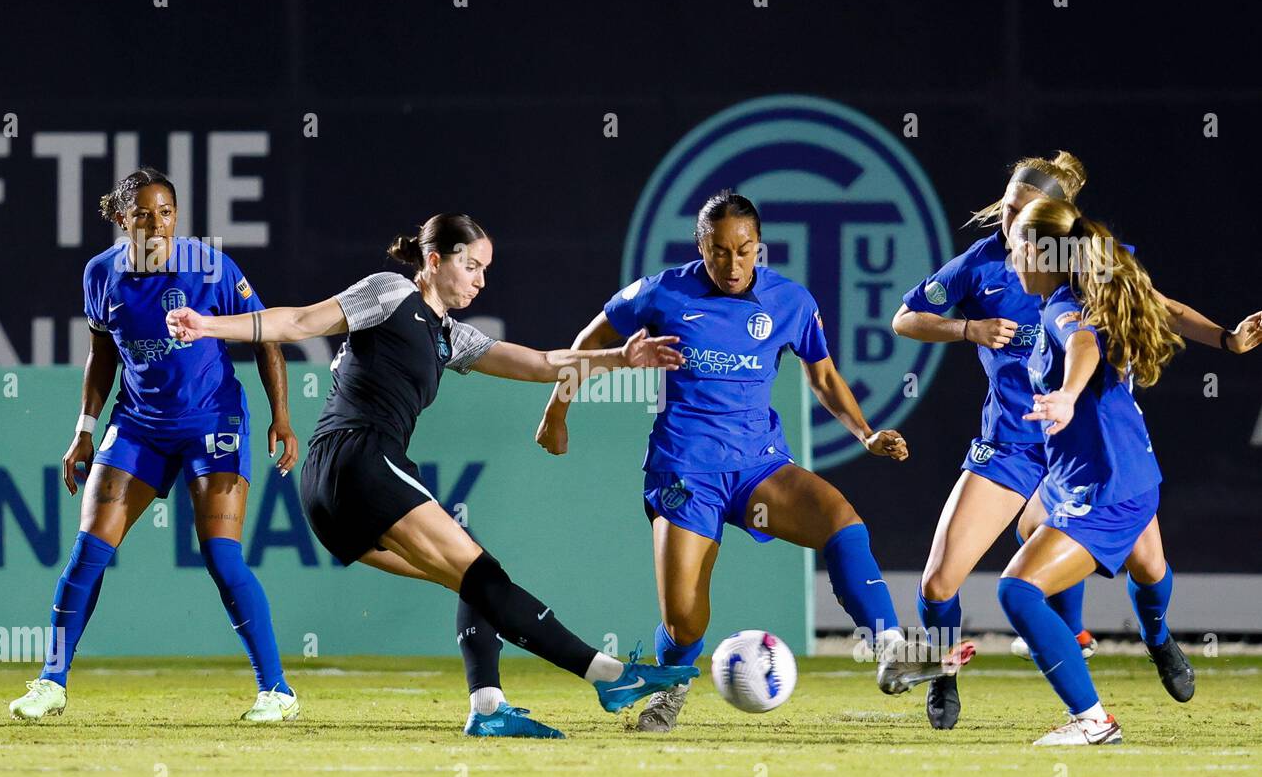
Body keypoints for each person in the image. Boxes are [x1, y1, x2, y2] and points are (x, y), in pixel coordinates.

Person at [166, 212, 698, 738]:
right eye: (471, 265)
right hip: (359, 459)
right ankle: (610, 676)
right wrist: (209, 326)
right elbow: (300, 322)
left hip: (332, 489)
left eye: (486, 270)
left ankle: (488, 706)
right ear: (435, 259)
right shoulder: (391, 293)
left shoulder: (450, 338)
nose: (480, 280)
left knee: (477, 579)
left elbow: (540, 362)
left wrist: (621, 357)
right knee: (481, 574)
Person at [536, 190, 972, 734]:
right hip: (684, 473)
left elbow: (824, 376)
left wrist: (865, 434)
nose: (733, 263)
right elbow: (588, 341)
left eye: (744, 250)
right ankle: (668, 691)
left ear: (759, 246)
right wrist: (557, 412)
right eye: (719, 251)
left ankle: (888, 647)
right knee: (686, 618)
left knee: (842, 522)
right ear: (701, 246)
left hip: (757, 466)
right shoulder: (661, 292)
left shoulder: (791, 301)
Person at [893, 152, 1262, 729]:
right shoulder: (985, 262)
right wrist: (969, 328)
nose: (1009, 218)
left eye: (1023, 209)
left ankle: (1153, 640)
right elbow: (905, 318)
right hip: (1015, 445)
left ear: (1055, 220)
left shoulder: (1084, 273)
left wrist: (1225, 341)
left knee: (1146, 566)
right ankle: (949, 671)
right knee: (942, 579)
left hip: (1088, 450)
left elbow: (1135, 318)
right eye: (1008, 204)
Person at [10, 168, 302, 723]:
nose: (157, 223)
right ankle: (51, 681)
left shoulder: (211, 266)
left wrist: (281, 419)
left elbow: (267, 337)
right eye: (143, 213)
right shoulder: (101, 274)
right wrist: (84, 427)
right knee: (89, 550)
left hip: (211, 421)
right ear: (122, 220)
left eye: (166, 211)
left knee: (220, 552)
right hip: (139, 424)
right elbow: (102, 355)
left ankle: (277, 690)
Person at [1003, 196, 1191, 745]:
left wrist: (1064, 394)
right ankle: (1131, 636)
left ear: (1042, 254)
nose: (1012, 262)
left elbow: (1083, 342)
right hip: (1107, 469)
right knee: (1144, 565)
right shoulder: (1092, 285)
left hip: (1108, 483)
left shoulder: (1065, 305)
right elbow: (1158, 308)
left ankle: (1093, 721)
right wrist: (1227, 339)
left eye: (1017, 251)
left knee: (1017, 592)